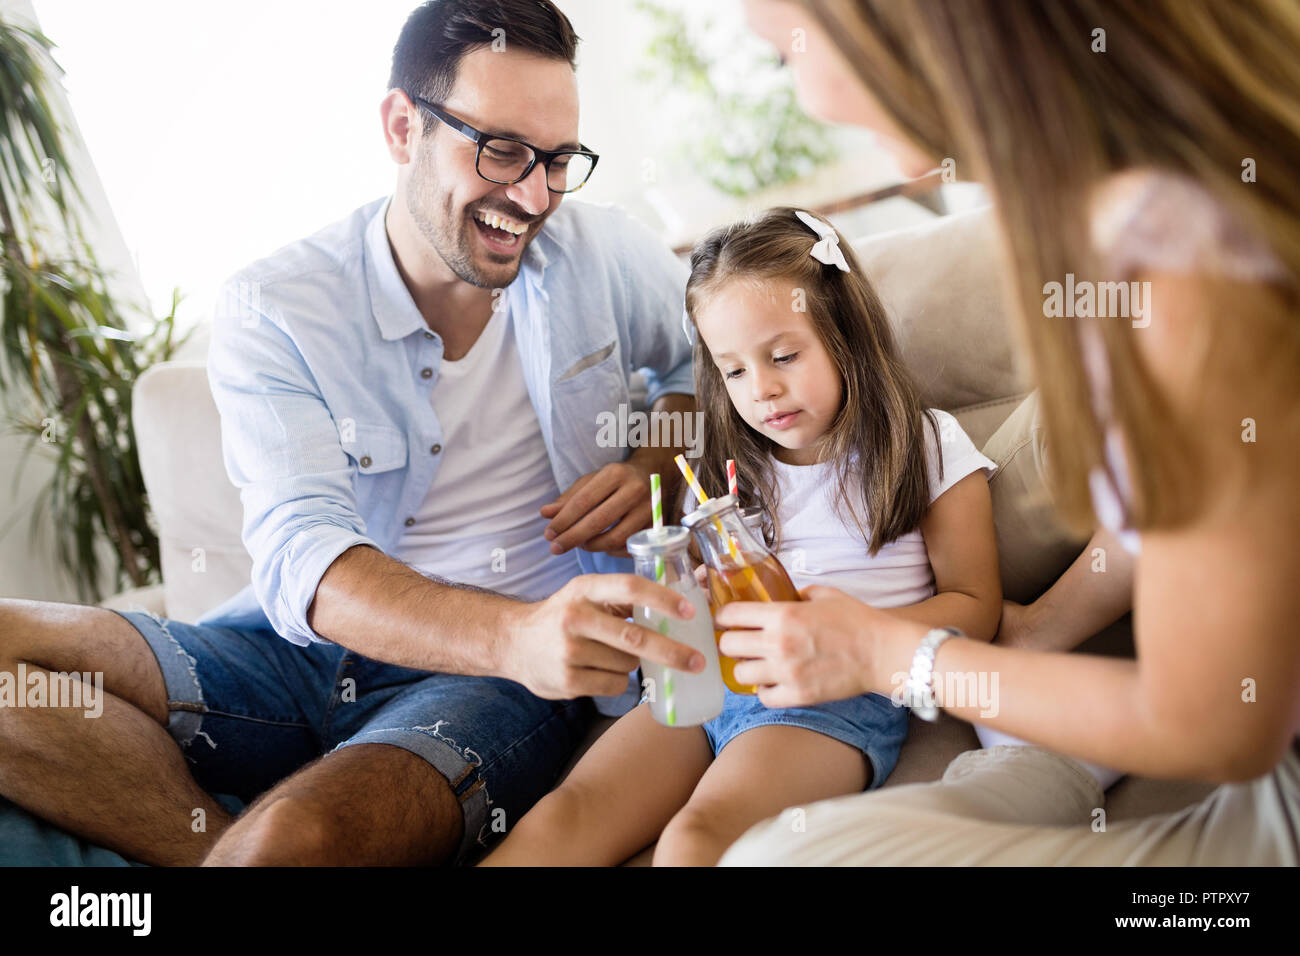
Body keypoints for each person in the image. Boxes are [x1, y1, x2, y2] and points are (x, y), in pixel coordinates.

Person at [0, 0, 707, 867]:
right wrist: (510, 633)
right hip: (296, 653)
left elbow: (707, 365)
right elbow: (303, 555)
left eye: (558, 161)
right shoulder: (279, 306)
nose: (533, 197)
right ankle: (218, 850)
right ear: (403, 126)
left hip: (497, 682)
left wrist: (654, 459)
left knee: (293, 841)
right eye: (502, 151)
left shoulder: (601, 253)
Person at [708, 0, 1300, 865]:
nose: (811, 102)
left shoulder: (1179, 251)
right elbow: (1187, 517)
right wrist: (1041, 629)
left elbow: (1218, 722)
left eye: (787, 55)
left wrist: (891, 653)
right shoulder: (1132, 214)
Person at [479, 207, 1001, 866]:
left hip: (832, 695)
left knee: (695, 841)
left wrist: (857, 636)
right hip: (710, 677)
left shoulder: (923, 446)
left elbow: (976, 607)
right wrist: (686, 595)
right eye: (734, 371)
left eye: (783, 355)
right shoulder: (730, 466)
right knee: (564, 815)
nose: (763, 390)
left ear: (844, 334)